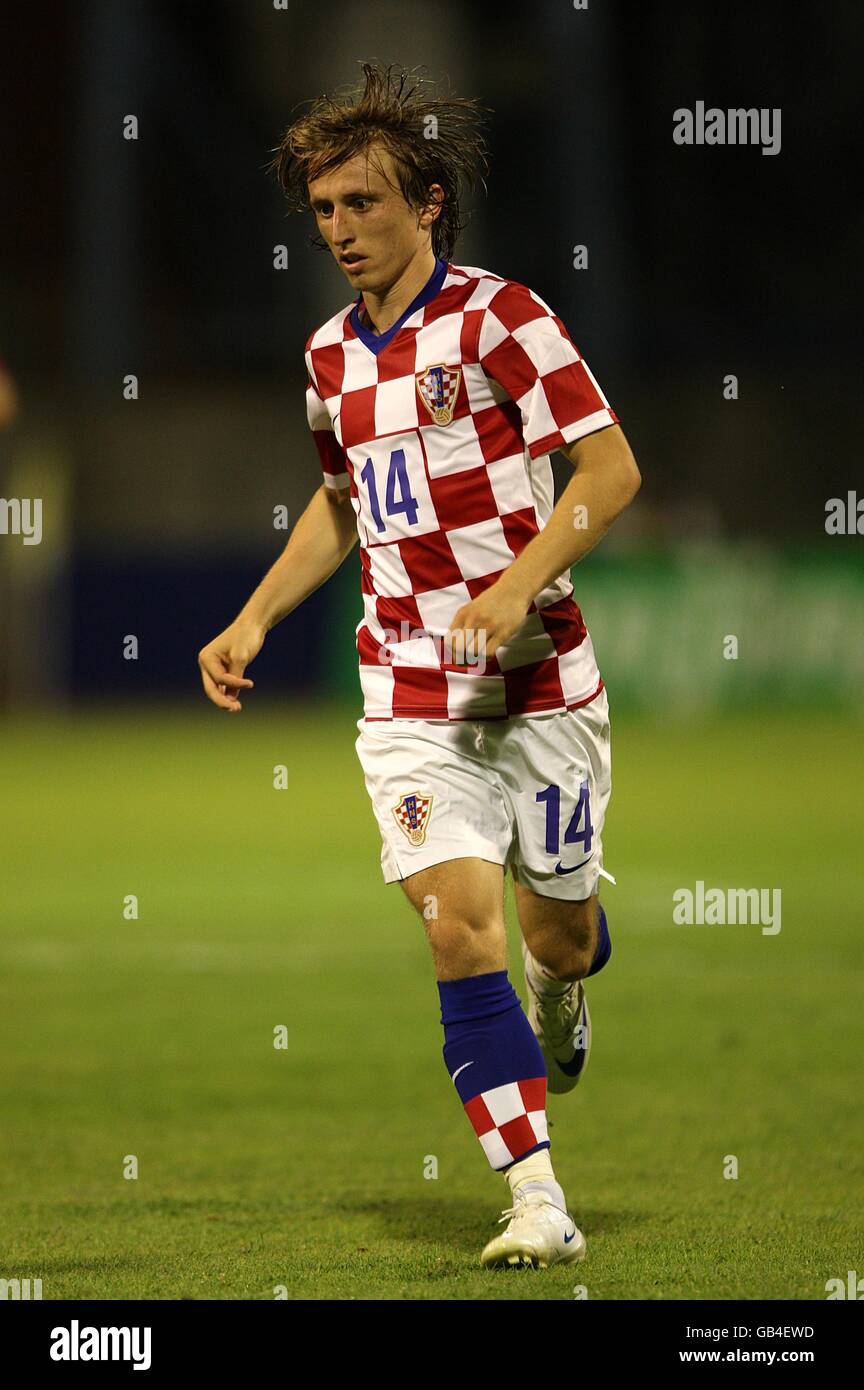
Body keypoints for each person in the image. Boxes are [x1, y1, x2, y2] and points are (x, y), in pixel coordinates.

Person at [198, 62, 641, 1269]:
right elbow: (340, 505)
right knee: (458, 925)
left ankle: (569, 982)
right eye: (326, 210)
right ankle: (538, 1200)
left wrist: (513, 586)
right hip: (406, 686)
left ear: (429, 203)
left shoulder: (506, 319)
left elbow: (609, 475)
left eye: (364, 205)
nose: (341, 230)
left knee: (558, 931)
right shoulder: (329, 357)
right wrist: (254, 617)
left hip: (536, 673)